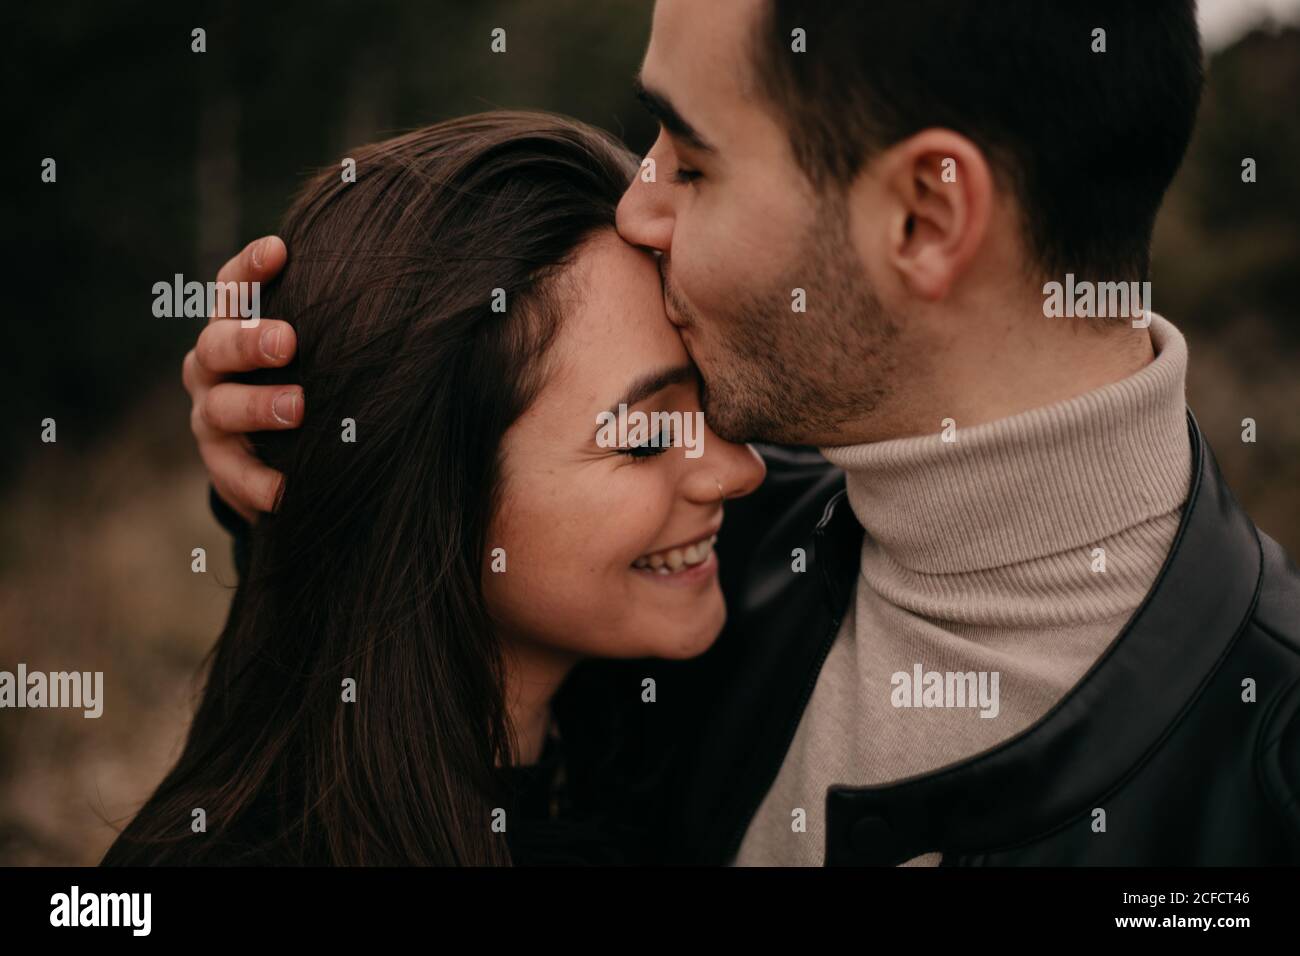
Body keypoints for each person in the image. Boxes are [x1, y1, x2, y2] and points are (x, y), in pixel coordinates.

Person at [181, 1, 1300, 865]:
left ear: (923, 216)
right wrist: (309, 457)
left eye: (696, 158)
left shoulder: (1263, 780)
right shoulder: (712, 565)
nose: (640, 204)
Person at [102, 112, 765, 865]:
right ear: (425, 491)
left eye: (714, 401)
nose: (742, 470)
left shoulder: (668, 712)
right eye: (646, 438)